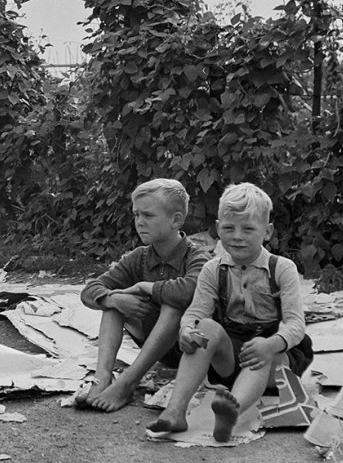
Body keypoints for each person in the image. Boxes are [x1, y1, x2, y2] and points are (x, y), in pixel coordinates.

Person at [147, 182, 313, 442]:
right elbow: (195, 311)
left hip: (277, 359)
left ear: (267, 231)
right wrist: (187, 329)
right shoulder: (214, 269)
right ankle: (175, 411)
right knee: (206, 328)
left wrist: (271, 345)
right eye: (228, 228)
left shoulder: (282, 268)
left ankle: (232, 410)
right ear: (218, 228)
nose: (237, 236)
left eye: (248, 229)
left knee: (260, 353)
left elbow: (295, 324)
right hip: (230, 356)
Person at [77, 178, 209, 412]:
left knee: (173, 304)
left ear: (176, 220)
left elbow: (190, 290)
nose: (140, 222)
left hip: (191, 349)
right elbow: (90, 290)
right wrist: (113, 298)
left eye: (148, 216)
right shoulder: (139, 257)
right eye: (137, 215)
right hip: (156, 347)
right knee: (114, 301)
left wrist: (146, 287)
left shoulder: (197, 257)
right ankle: (103, 378)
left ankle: (128, 382)